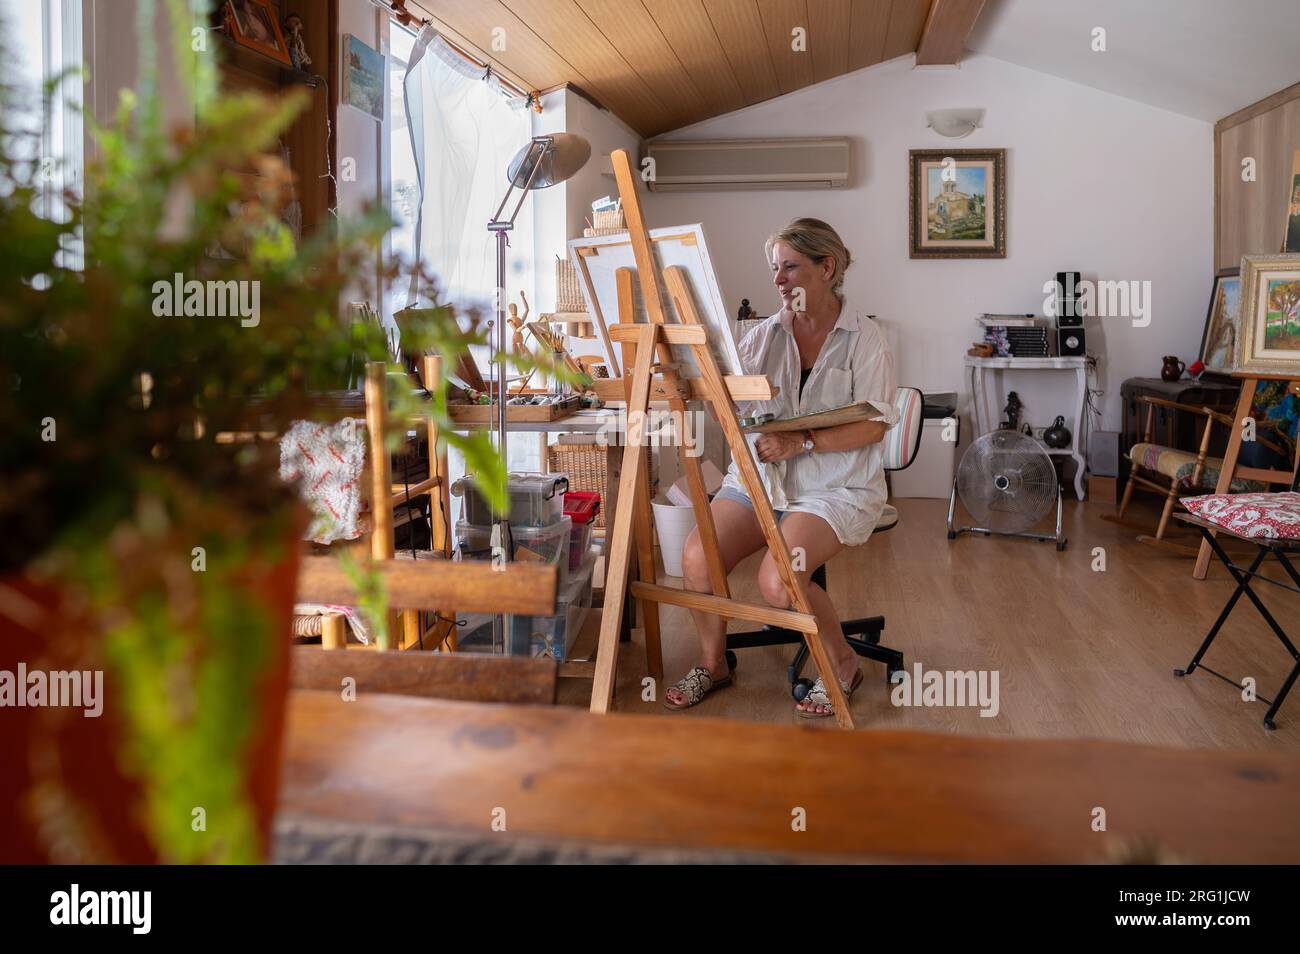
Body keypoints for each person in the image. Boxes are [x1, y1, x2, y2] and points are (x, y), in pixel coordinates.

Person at [664, 217, 898, 719]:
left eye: (791, 267)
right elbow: (730, 415)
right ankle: (714, 663)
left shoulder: (865, 339)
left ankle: (842, 663)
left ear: (826, 267)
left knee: (779, 580)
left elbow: (874, 427)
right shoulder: (760, 339)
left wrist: (803, 442)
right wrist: (695, 380)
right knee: (697, 560)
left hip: (833, 486)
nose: (779, 280)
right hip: (758, 480)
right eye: (775, 269)